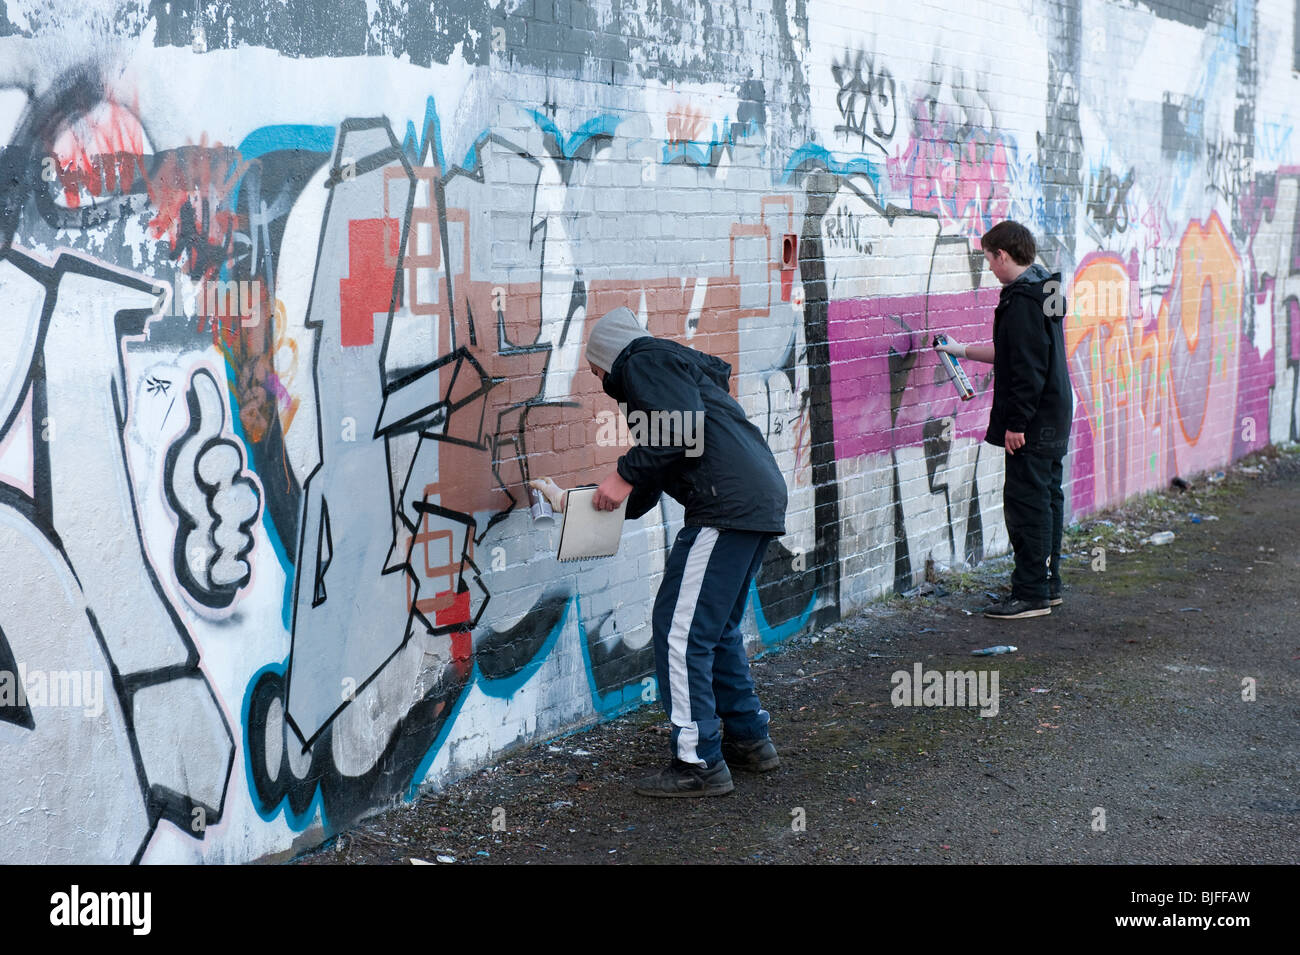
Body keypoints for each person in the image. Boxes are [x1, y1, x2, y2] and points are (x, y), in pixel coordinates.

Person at [530, 306, 788, 796]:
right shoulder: (674, 378)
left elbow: (675, 434)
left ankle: (698, 763)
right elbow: (648, 483)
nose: (598, 378)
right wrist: (583, 504)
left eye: (596, 370)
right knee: (717, 629)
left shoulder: (644, 360)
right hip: (754, 500)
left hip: (723, 506)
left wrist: (621, 475)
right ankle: (751, 740)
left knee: (678, 631)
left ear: (611, 357)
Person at [935, 221, 1071, 619]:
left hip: (1035, 417)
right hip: (1055, 411)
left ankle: (1030, 595)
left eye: (989, 258)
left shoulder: (1022, 300)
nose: (988, 267)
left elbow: (1027, 369)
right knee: (1047, 498)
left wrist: (1017, 424)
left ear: (1003, 255)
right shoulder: (1045, 287)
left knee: (1027, 503)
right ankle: (1046, 585)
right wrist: (961, 350)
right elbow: (1018, 352)